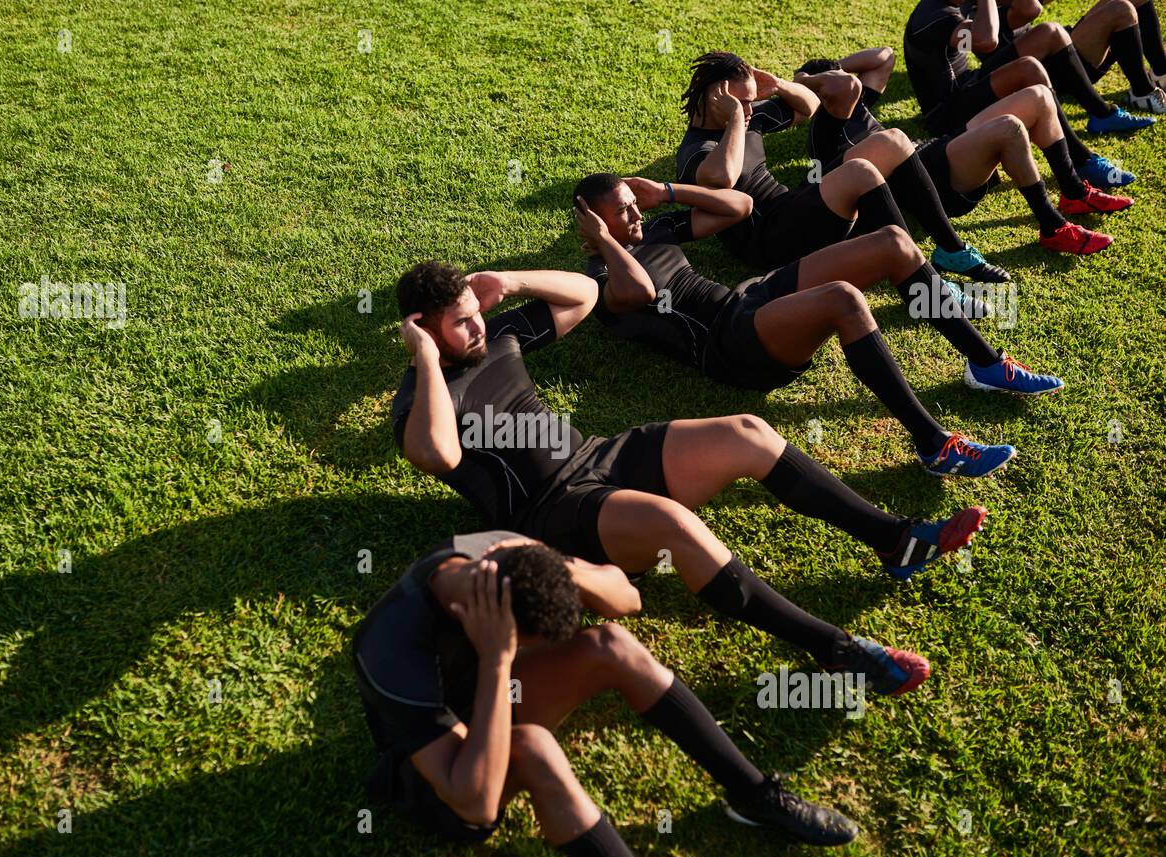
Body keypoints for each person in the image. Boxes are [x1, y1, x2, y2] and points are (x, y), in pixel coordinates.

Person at [390, 260, 985, 700]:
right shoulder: (422, 400)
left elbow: (587, 294)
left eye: (475, 315)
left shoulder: (498, 336)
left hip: (601, 459)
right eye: (461, 323)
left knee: (746, 432)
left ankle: (894, 538)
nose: (476, 327)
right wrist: (424, 358)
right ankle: (837, 650)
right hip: (556, 513)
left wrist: (510, 283)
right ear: (421, 327)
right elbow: (439, 455)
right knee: (675, 524)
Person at [352, 532, 862, 857]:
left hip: (485, 691)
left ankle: (753, 795)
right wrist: (497, 661)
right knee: (532, 748)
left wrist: (560, 568)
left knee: (613, 645)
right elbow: (475, 804)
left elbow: (628, 601)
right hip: (435, 773)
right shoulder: (391, 648)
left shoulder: (490, 553)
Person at [571, 172, 1062, 466]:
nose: (635, 215)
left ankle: (986, 364)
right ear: (592, 223)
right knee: (844, 300)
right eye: (623, 211)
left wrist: (666, 190)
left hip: (748, 300)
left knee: (893, 241)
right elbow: (642, 290)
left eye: (634, 205)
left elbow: (740, 207)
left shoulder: (655, 230)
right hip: (730, 345)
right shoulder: (598, 280)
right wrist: (607, 242)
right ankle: (933, 443)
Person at [674, 52, 1006, 296]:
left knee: (892, 141)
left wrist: (775, 85)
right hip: (767, 239)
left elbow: (810, 106)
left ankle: (950, 250)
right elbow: (722, 178)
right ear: (716, 99)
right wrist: (735, 117)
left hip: (791, 209)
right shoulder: (697, 150)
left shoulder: (748, 119)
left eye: (750, 102)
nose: (749, 110)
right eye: (741, 103)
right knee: (860, 171)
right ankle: (926, 286)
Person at [795, 53, 1129, 253]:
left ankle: (1073, 191)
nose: (847, 82)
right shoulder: (824, 132)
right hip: (928, 178)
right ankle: (1052, 227)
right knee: (1010, 127)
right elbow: (826, 188)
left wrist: (836, 66)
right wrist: (802, 82)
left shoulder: (858, 101)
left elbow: (883, 56)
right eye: (835, 81)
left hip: (936, 150)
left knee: (1038, 96)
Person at [903, 0, 1154, 169]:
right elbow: (986, 41)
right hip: (947, 115)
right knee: (1029, 67)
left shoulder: (952, 5)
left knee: (1050, 33)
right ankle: (1080, 159)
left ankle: (1101, 114)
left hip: (966, 87)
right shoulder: (933, 17)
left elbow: (1028, 9)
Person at [981, 0, 1166, 112]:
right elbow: (1030, 8)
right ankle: (1142, 92)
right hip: (1054, 68)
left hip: (1060, 47)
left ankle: (1161, 73)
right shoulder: (982, 17)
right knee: (1121, 10)